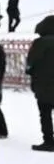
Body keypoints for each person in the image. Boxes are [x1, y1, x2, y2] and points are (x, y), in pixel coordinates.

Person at [26, 15, 54, 152]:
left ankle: (49, 142)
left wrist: (31, 72)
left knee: (45, 114)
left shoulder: (39, 43)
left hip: (44, 86)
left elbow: (31, 63)